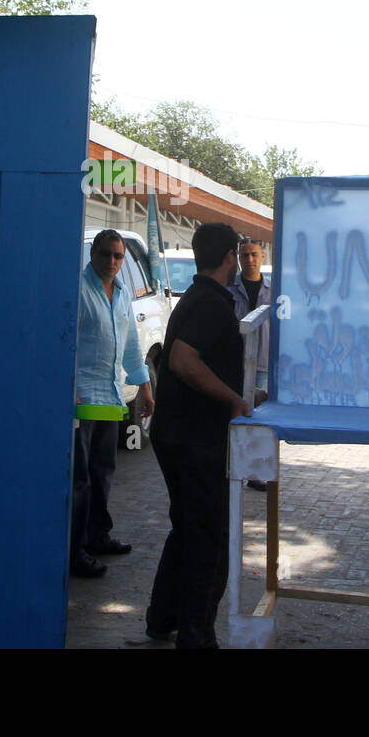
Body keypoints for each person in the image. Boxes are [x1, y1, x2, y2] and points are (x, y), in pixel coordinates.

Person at [146, 222, 252, 648]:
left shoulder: (196, 299)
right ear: (229, 257)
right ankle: (196, 635)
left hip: (175, 434)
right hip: (196, 440)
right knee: (209, 539)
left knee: (187, 529)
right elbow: (184, 361)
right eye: (238, 255)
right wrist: (232, 399)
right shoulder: (210, 305)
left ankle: (163, 618)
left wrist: (246, 394)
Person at [72, 229, 152, 578]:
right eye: (106, 254)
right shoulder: (76, 289)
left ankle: (98, 536)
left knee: (103, 472)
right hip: (82, 399)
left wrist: (145, 387)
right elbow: (64, 341)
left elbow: (132, 345)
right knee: (79, 480)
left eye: (118, 256)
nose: (113, 262)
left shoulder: (121, 294)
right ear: (93, 254)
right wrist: (68, 388)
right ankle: (74, 551)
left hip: (110, 397)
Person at [228, 236, 272, 492]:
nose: (250, 260)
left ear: (263, 257)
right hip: (236, 363)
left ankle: (257, 472)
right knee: (237, 415)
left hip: (263, 363)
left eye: (254, 254)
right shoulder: (230, 289)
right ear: (238, 258)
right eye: (245, 255)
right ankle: (235, 468)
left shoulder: (272, 290)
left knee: (261, 418)